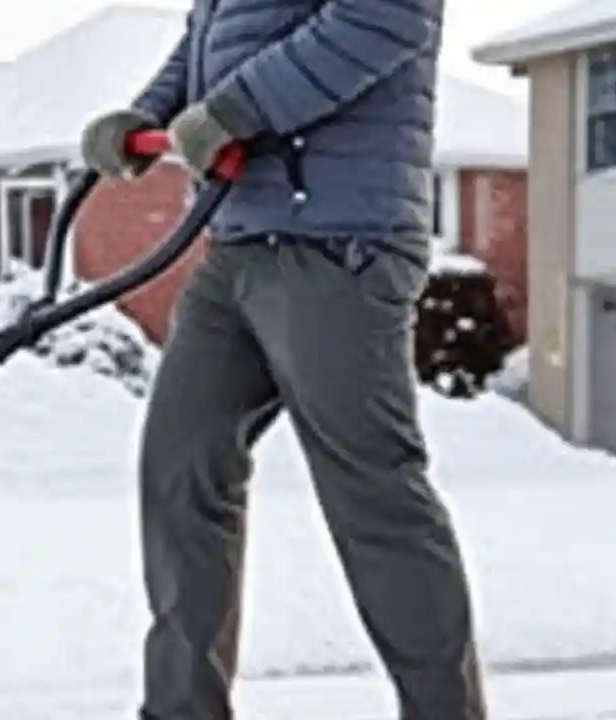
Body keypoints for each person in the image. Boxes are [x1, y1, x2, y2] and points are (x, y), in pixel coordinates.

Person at [79, 1, 487, 719]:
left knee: (371, 491)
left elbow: (382, 21)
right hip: (238, 240)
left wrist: (236, 110)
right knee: (180, 468)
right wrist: (144, 115)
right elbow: (207, 40)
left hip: (339, 243)